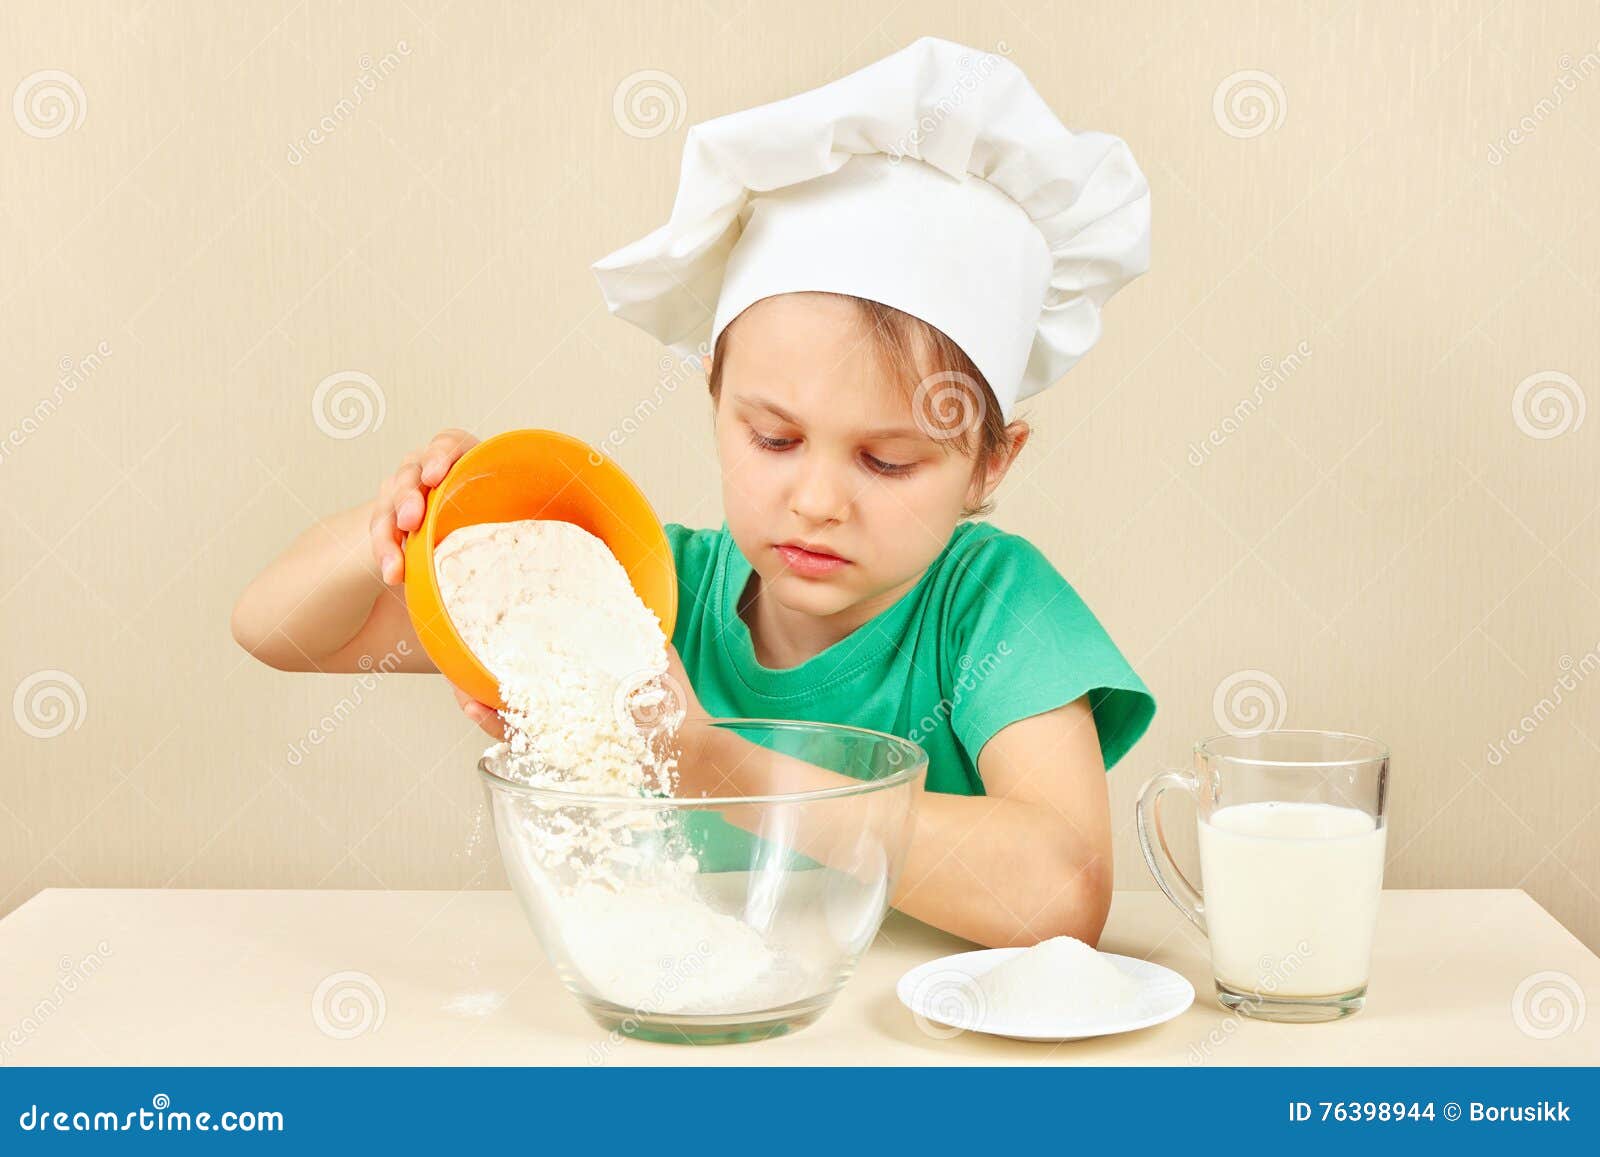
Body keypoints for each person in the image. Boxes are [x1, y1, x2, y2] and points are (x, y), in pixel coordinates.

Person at [232, 37, 1155, 949]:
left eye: (888, 461)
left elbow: (1061, 889)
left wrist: (717, 766)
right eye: (775, 438)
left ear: (990, 463)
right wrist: (396, 531)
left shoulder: (989, 609)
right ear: (715, 396)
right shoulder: (633, 600)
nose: (818, 499)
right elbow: (277, 630)